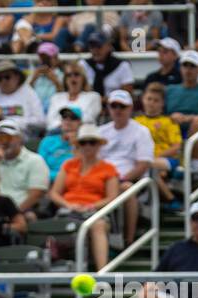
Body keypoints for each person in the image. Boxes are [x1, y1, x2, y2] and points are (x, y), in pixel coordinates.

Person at [47, 123, 119, 270]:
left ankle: (102, 274)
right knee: (48, 228)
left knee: (98, 225)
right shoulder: (68, 165)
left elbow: (112, 197)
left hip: (94, 212)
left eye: (92, 142)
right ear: (78, 145)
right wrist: (68, 205)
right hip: (68, 211)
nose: (87, 146)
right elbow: (54, 193)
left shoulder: (108, 168)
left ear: (98, 145)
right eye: (83, 142)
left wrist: (92, 206)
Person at [98, 89, 153, 246]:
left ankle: (128, 238)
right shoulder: (101, 131)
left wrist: (119, 179)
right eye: (114, 106)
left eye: (122, 106)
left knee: (126, 189)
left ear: (130, 108)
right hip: (103, 178)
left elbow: (143, 165)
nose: (117, 110)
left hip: (130, 180)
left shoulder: (141, 131)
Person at [135, 82, 182, 209]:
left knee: (147, 165)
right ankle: (168, 199)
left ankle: (171, 200)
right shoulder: (135, 122)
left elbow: (176, 146)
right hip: (147, 162)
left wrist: (154, 156)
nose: (151, 103)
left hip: (167, 160)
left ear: (162, 103)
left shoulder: (168, 122)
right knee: (149, 169)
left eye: (156, 100)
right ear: (143, 100)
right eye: (149, 99)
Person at [0, 119, 49, 221]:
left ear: (19, 139)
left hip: (21, 211)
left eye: (8, 137)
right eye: (0, 138)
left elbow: (36, 194)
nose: (4, 142)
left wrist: (14, 214)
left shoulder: (35, 160)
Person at [0, 59, 46, 134]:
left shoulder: (28, 92)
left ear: (17, 77)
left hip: (22, 136)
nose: (3, 81)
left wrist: (11, 123)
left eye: (7, 77)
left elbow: (40, 120)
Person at [80, 29, 133, 99]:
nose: (95, 50)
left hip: (114, 106)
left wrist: (105, 101)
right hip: (88, 105)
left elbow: (127, 94)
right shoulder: (83, 65)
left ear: (109, 46)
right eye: (92, 46)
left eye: (99, 46)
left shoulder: (122, 66)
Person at [38, 105, 81, 181]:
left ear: (80, 123)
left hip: (74, 183)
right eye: (65, 117)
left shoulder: (85, 143)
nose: (68, 121)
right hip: (48, 182)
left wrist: (75, 145)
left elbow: (83, 169)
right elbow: (40, 168)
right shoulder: (47, 141)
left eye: (73, 118)